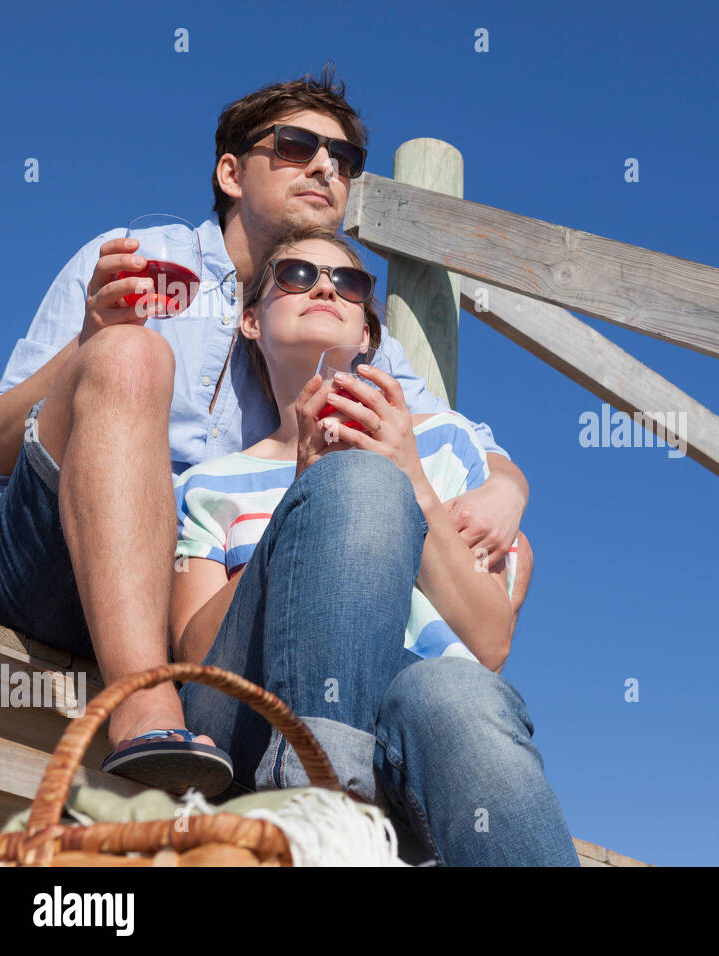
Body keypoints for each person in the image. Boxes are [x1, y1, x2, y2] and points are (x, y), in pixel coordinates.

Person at [0, 67, 530, 796]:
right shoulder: (132, 258)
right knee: (131, 353)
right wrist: (85, 345)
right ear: (232, 172)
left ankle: (343, 768)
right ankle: (143, 703)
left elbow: (455, 439)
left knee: (379, 497)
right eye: (298, 145)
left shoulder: (344, 322)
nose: (325, 167)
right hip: (57, 572)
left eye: (344, 160)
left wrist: (506, 488)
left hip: (214, 619)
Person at [169, 226, 577, 865]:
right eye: (297, 275)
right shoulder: (209, 482)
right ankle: (325, 809)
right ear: (250, 319)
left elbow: (490, 640)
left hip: (417, 730)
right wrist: (303, 500)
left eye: (350, 282)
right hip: (249, 726)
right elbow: (196, 654)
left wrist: (411, 478)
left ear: (366, 334)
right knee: (354, 480)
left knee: (457, 694)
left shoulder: (444, 444)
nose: (326, 286)